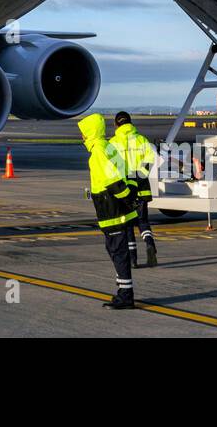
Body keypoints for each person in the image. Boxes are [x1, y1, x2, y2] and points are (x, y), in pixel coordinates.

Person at [79, 113, 137, 309]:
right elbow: (124, 173)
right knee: (117, 251)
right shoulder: (108, 147)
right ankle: (123, 292)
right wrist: (131, 199)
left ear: (91, 133)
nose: (82, 137)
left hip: (112, 211)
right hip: (120, 209)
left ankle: (125, 296)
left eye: (84, 133)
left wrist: (126, 198)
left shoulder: (98, 153)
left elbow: (112, 181)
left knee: (118, 253)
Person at [112, 111, 158, 268]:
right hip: (142, 188)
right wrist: (140, 178)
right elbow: (151, 160)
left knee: (128, 226)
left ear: (116, 124)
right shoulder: (141, 140)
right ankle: (149, 243)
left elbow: (113, 168)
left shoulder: (113, 143)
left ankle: (133, 260)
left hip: (124, 191)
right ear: (131, 123)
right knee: (143, 221)